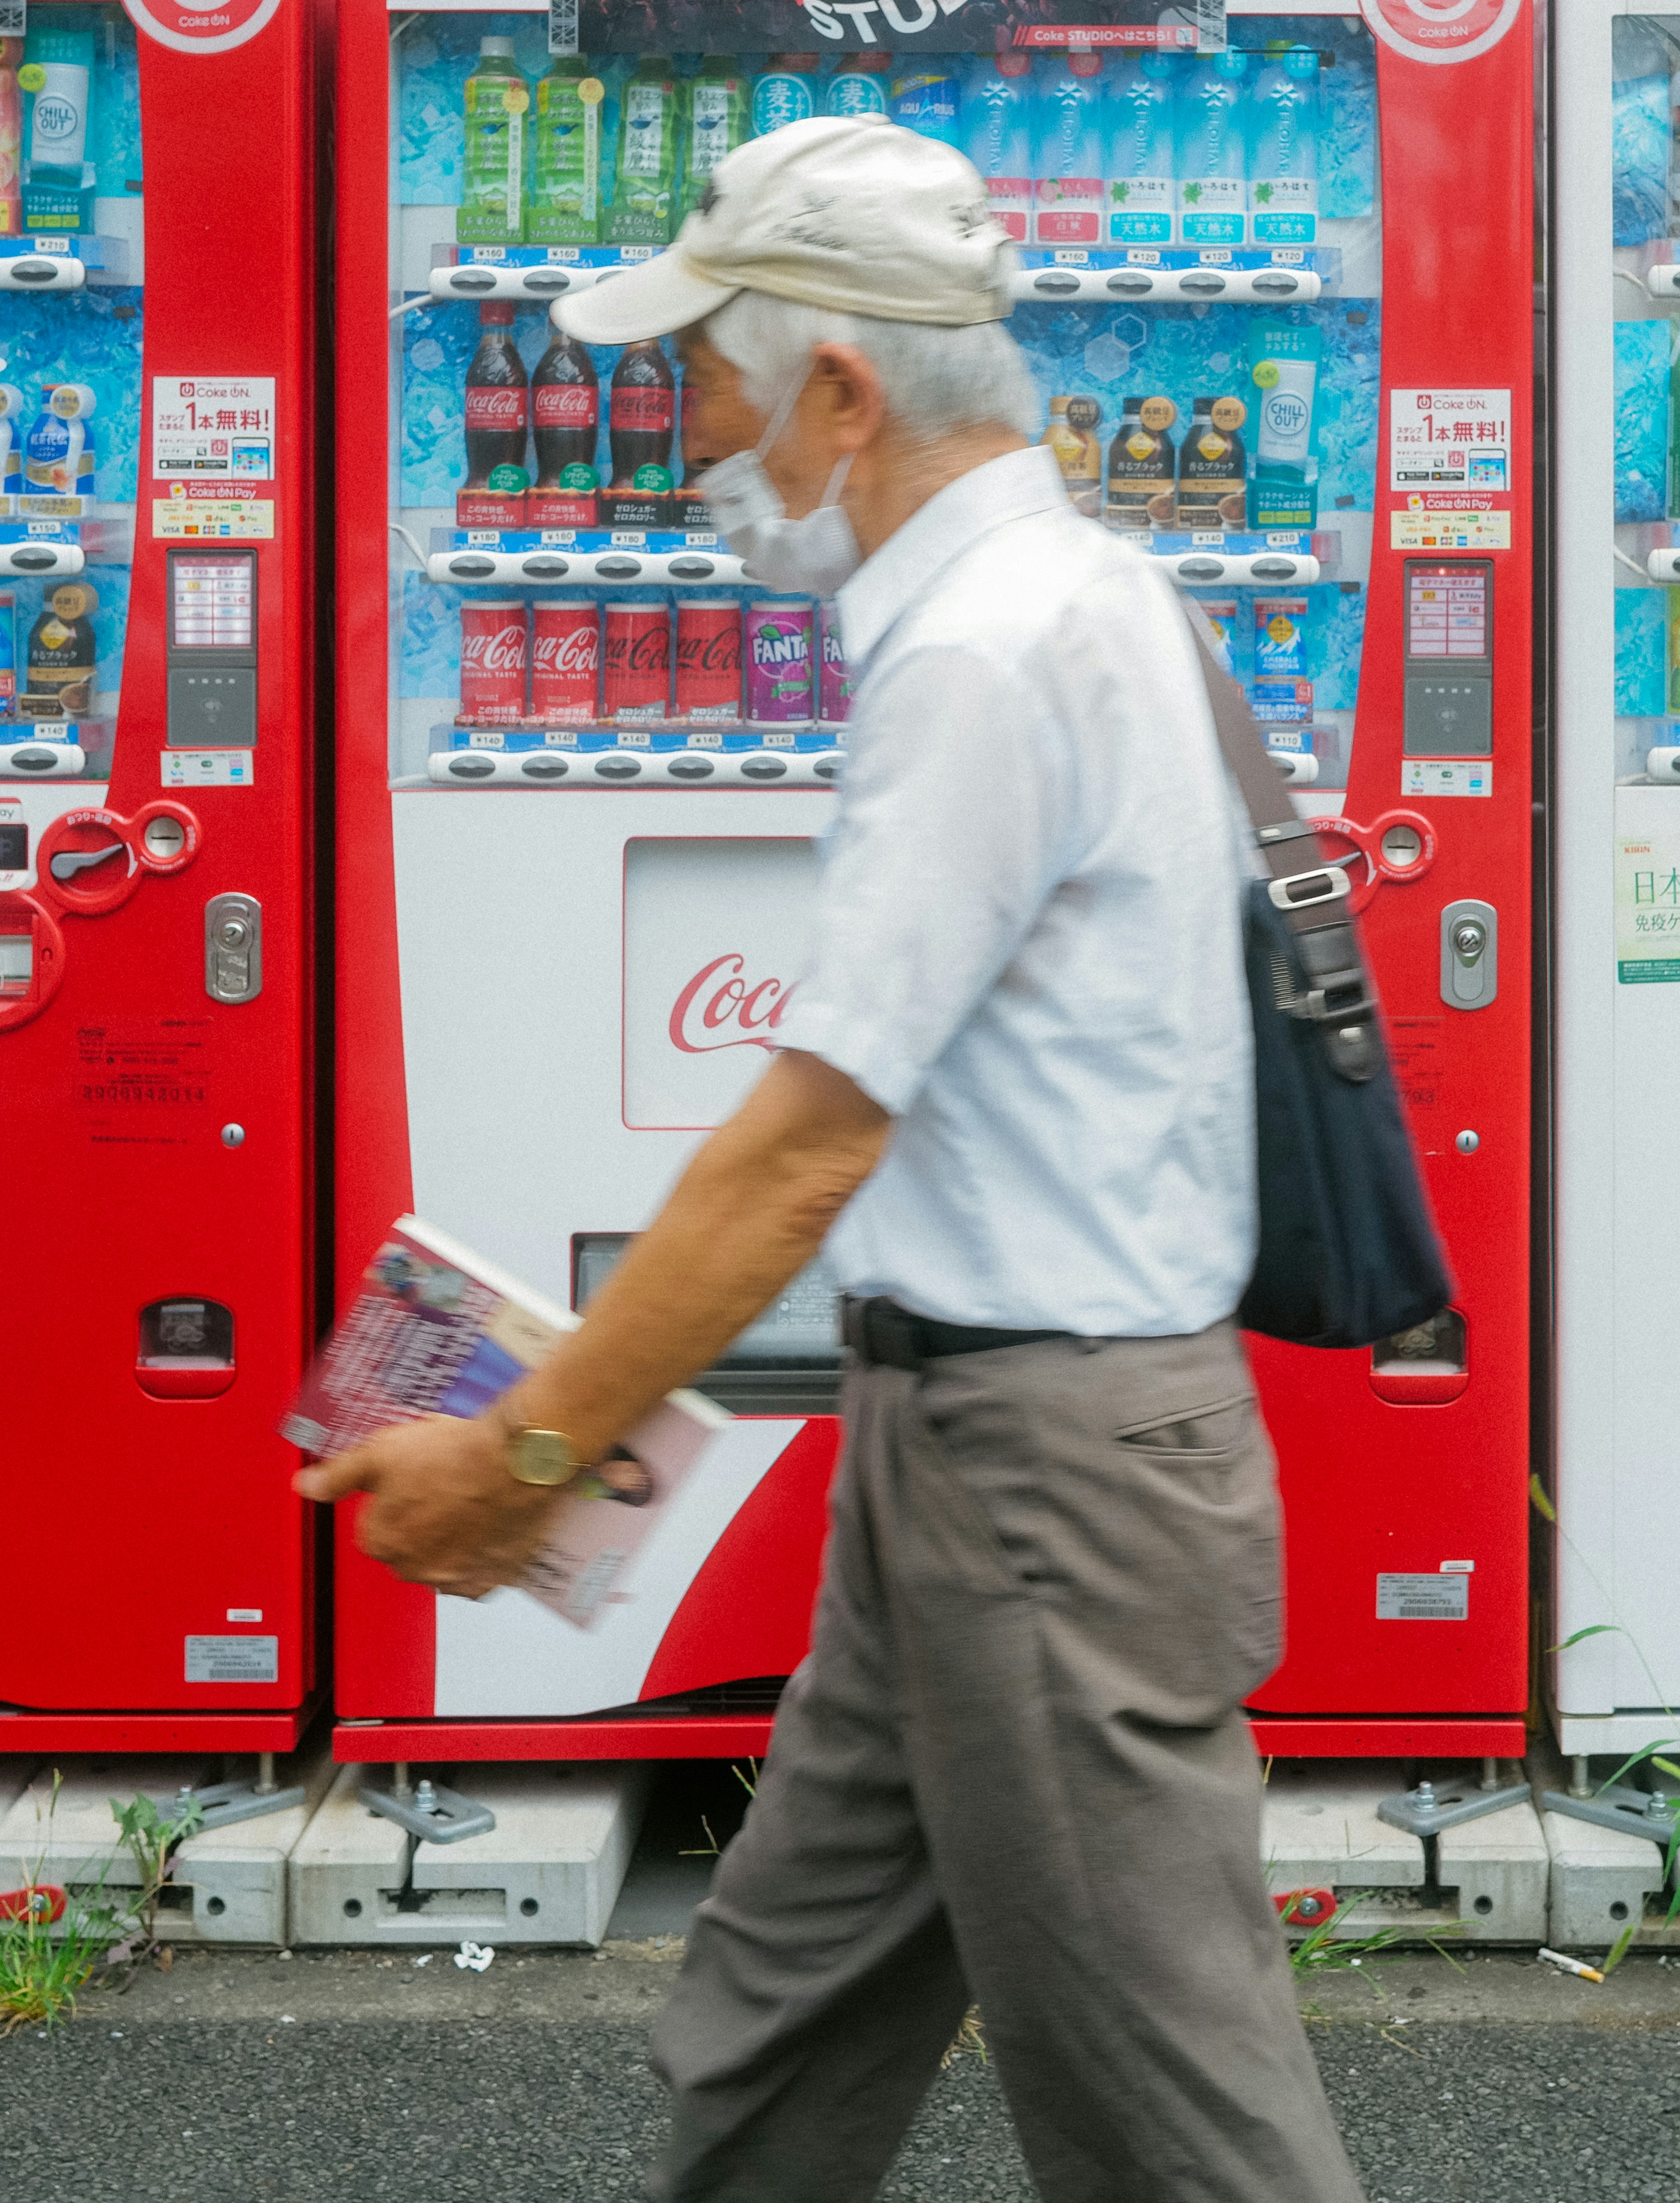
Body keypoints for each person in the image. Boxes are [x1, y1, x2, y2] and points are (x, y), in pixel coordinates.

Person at [301, 111, 1357, 2203]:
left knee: (1183, 2130)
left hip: (1050, 1488)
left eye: (708, 379)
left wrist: (520, 1454)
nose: (684, 433)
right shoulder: (1088, 585)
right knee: (773, 2034)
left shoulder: (976, 656)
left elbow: (801, 1147)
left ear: (845, 392)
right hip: (960, 1446)